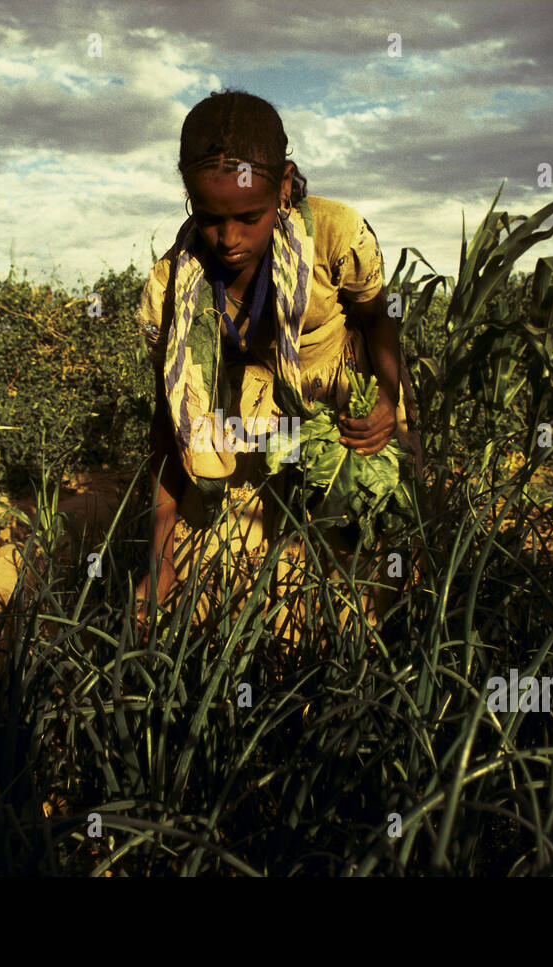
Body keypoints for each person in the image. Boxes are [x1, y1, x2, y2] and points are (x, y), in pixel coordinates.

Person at [133, 89, 423, 661]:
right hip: (241, 443)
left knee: (352, 610)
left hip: (336, 436)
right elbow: (167, 426)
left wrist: (388, 400)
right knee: (224, 613)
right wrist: (159, 561)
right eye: (210, 218)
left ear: (284, 184)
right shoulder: (170, 292)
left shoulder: (336, 237)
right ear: (189, 197)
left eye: (250, 215)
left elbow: (378, 316)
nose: (230, 238)